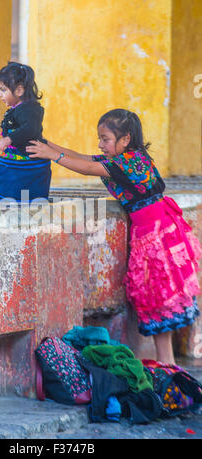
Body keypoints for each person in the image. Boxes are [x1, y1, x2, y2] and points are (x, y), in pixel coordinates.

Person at [26, 108, 201, 364]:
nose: (100, 144)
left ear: (125, 139)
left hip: (157, 238)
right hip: (155, 232)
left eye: (105, 139)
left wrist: (53, 155)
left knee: (159, 304)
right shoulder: (126, 159)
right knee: (159, 305)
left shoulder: (129, 163)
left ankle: (168, 370)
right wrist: (46, 144)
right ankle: (168, 368)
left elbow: (86, 167)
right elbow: (84, 157)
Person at [0, 62, 51, 202]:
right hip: (18, 159)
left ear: (19, 91)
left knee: (8, 177)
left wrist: (9, 138)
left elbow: (30, 128)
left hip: (27, 162)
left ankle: (14, 203)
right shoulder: (20, 108)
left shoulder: (28, 109)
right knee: (2, 171)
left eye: (3, 90)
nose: (0, 94)